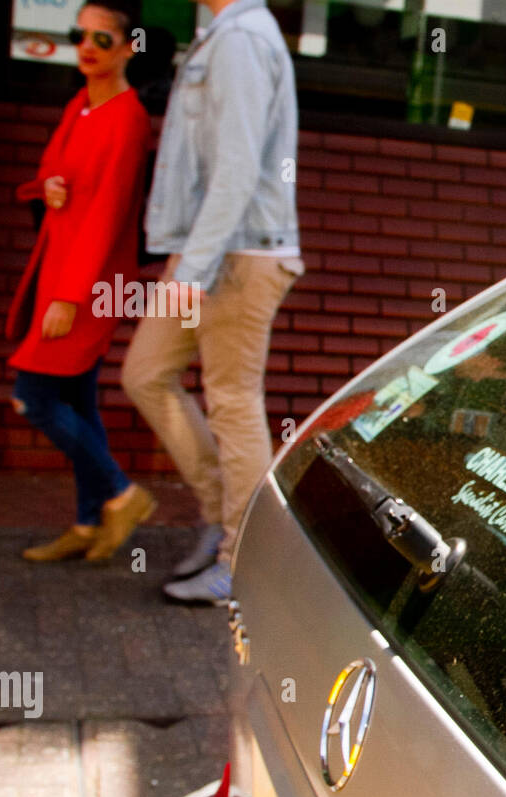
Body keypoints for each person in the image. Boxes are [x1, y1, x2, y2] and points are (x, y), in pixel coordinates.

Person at [122, 0, 303, 605]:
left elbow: (237, 167)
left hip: (241, 255)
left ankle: (243, 561)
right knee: (146, 373)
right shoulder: (220, 36)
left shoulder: (243, 39)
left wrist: (191, 269)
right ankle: (218, 515)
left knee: (232, 400)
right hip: (206, 250)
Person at [7, 0, 155, 564]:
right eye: (79, 36)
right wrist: (51, 188)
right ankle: (89, 523)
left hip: (88, 284)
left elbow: (109, 213)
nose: (87, 47)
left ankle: (123, 492)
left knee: (32, 397)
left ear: (126, 47)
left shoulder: (127, 115)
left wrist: (70, 298)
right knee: (78, 401)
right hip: (59, 271)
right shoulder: (80, 106)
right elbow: (54, 172)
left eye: (102, 38)